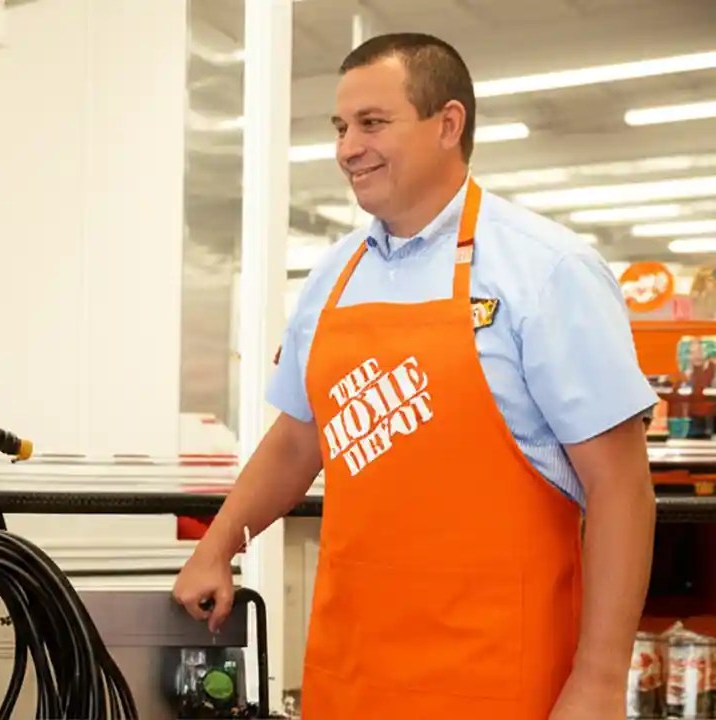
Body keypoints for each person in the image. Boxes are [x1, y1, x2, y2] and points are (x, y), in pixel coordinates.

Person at [173, 32, 657, 720]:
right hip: (353, 670)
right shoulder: (333, 278)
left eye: (373, 123)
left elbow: (621, 488)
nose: (347, 148)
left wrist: (601, 677)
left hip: (501, 675)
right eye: (341, 127)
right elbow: (296, 439)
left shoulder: (546, 271)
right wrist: (218, 546)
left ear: (448, 124)